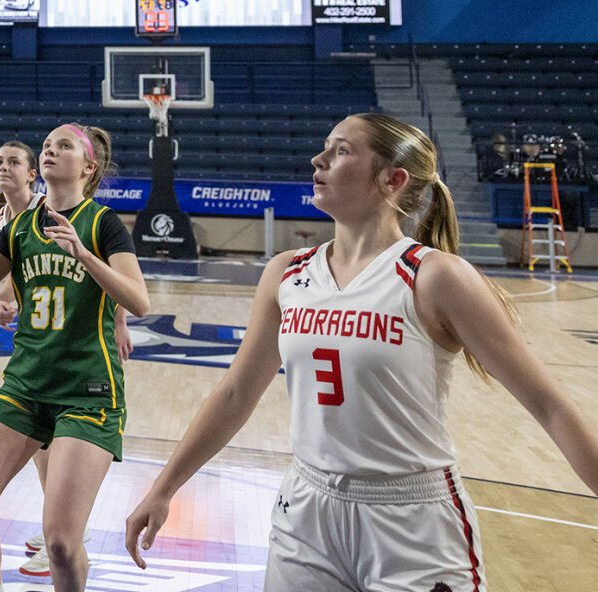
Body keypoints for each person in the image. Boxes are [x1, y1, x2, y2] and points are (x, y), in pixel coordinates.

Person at [124, 113, 598, 591]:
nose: (319, 158)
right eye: (325, 147)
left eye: (342, 150)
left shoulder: (435, 276)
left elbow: (549, 404)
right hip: (306, 510)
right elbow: (234, 394)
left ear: (392, 180)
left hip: (412, 518)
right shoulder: (287, 273)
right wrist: (164, 487)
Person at [0, 124, 149, 592]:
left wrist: (84, 254)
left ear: (88, 167)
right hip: (27, 385)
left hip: (88, 393)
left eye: (62, 146)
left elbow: (139, 301)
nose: (50, 151)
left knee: (62, 544)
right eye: (46, 146)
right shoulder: (20, 227)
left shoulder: (102, 223)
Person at [0, 141, 132, 579]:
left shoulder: (79, 217)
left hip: (80, 372)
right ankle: (56, 530)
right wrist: (2, 299)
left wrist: (119, 321)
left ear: (30, 175)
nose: (4, 168)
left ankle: (57, 532)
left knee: (52, 455)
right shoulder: (13, 220)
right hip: (35, 362)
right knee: (37, 450)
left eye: (13, 162)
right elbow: (21, 271)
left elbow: (116, 281)